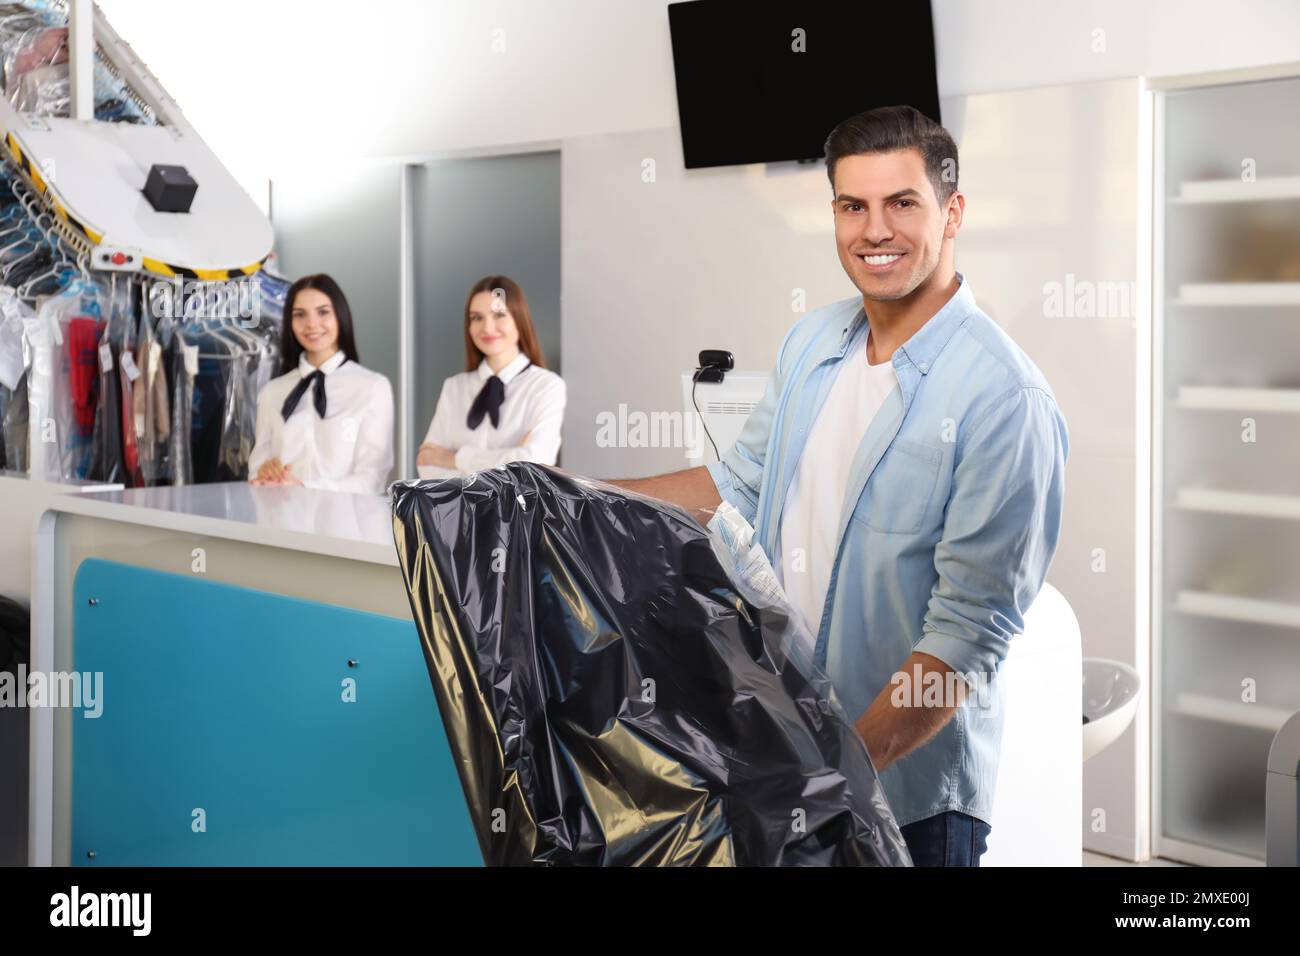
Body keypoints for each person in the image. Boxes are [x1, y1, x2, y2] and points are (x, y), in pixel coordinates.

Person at [605, 105, 1069, 866]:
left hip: (906, 799)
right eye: (853, 206)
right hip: (784, 760)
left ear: (953, 213)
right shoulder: (812, 341)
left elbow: (963, 642)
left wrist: (843, 768)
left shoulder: (1003, 399)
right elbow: (733, 487)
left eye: (901, 203)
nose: (873, 230)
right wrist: (570, 488)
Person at [248, 273, 394, 495]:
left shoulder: (372, 387)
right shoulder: (272, 392)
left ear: (340, 316)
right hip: (281, 522)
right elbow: (256, 472)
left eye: (323, 312)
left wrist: (305, 488)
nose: (311, 324)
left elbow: (373, 479)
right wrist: (265, 472)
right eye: (300, 315)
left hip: (345, 525)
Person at [417, 275, 565, 477]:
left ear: (519, 319)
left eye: (499, 315)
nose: (487, 327)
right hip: (459, 510)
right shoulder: (454, 387)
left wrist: (454, 459)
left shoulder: (545, 386)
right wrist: (511, 457)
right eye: (477, 317)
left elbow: (534, 464)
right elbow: (427, 466)